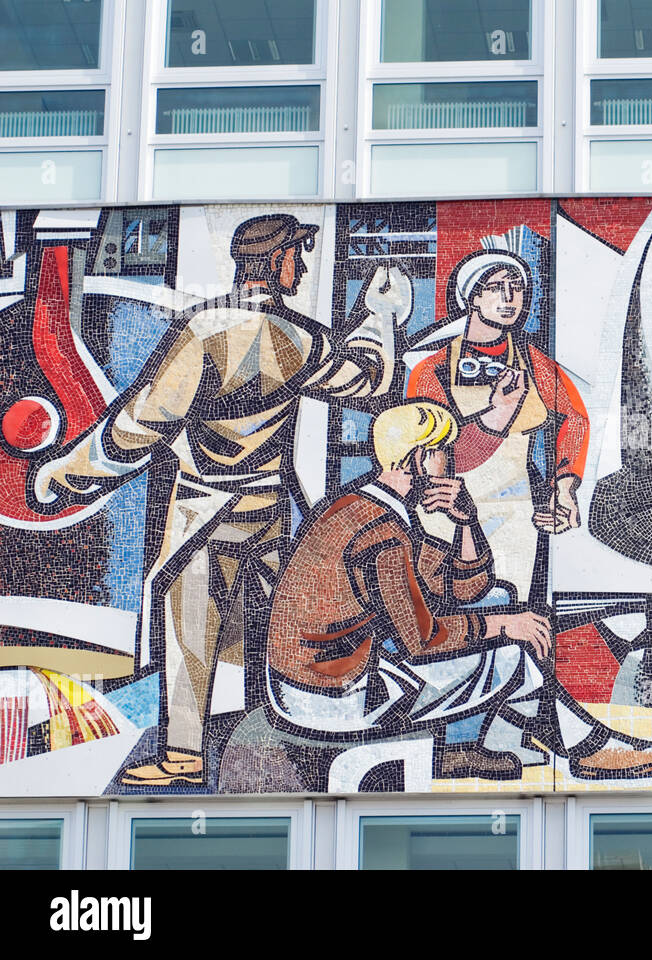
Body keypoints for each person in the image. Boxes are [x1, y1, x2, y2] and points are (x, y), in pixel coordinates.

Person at [29, 213, 410, 787]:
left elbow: (139, 427)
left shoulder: (205, 331)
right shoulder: (300, 336)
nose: (303, 266)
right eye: (297, 255)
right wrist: (379, 318)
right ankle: (308, 737)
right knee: (295, 623)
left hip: (203, 514)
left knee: (191, 635)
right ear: (275, 260)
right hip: (271, 514)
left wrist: (68, 471)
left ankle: (186, 756)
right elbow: (366, 379)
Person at [265, 400, 652, 780]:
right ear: (420, 458)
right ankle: (583, 747)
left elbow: (465, 586)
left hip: (331, 672)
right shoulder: (381, 534)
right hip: (330, 696)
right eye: (444, 451)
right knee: (512, 650)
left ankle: (463, 747)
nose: (451, 462)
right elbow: (421, 641)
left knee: (497, 600)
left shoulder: (370, 508)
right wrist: (504, 627)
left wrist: (466, 521)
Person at [406, 250, 588, 600]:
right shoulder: (432, 369)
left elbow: (575, 418)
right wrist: (497, 416)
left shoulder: (534, 363)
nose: (509, 298)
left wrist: (564, 485)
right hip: (448, 515)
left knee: (514, 602)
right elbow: (434, 458)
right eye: (495, 288)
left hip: (517, 511)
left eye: (517, 288)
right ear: (473, 298)